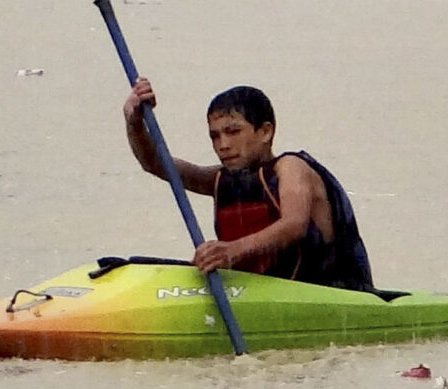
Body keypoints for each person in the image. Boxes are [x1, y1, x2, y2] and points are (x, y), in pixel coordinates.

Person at [122, 79, 376, 292]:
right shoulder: (220, 180)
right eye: (215, 135)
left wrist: (231, 251)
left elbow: (294, 225)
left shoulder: (291, 167)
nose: (223, 144)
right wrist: (134, 121)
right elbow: (155, 164)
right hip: (260, 296)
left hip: (332, 294)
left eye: (233, 132)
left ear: (265, 132)